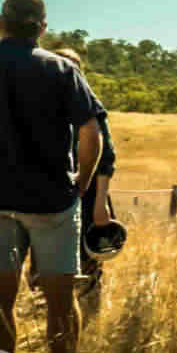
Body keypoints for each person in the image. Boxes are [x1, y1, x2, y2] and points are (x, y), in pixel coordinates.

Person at [0, 0, 102, 353]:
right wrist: (81, 182)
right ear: (42, 28)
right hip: (50, 199)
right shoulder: (62, 69)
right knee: (60, 299)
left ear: (0, 24)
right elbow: (90, 132)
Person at [46, 48, 117, 286]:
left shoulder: (89, 107)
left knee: (87, 255)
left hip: (86, 192)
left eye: (73, 66)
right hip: (50, 190)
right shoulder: (43, 105)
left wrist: (101, 202)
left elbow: (106, 158)